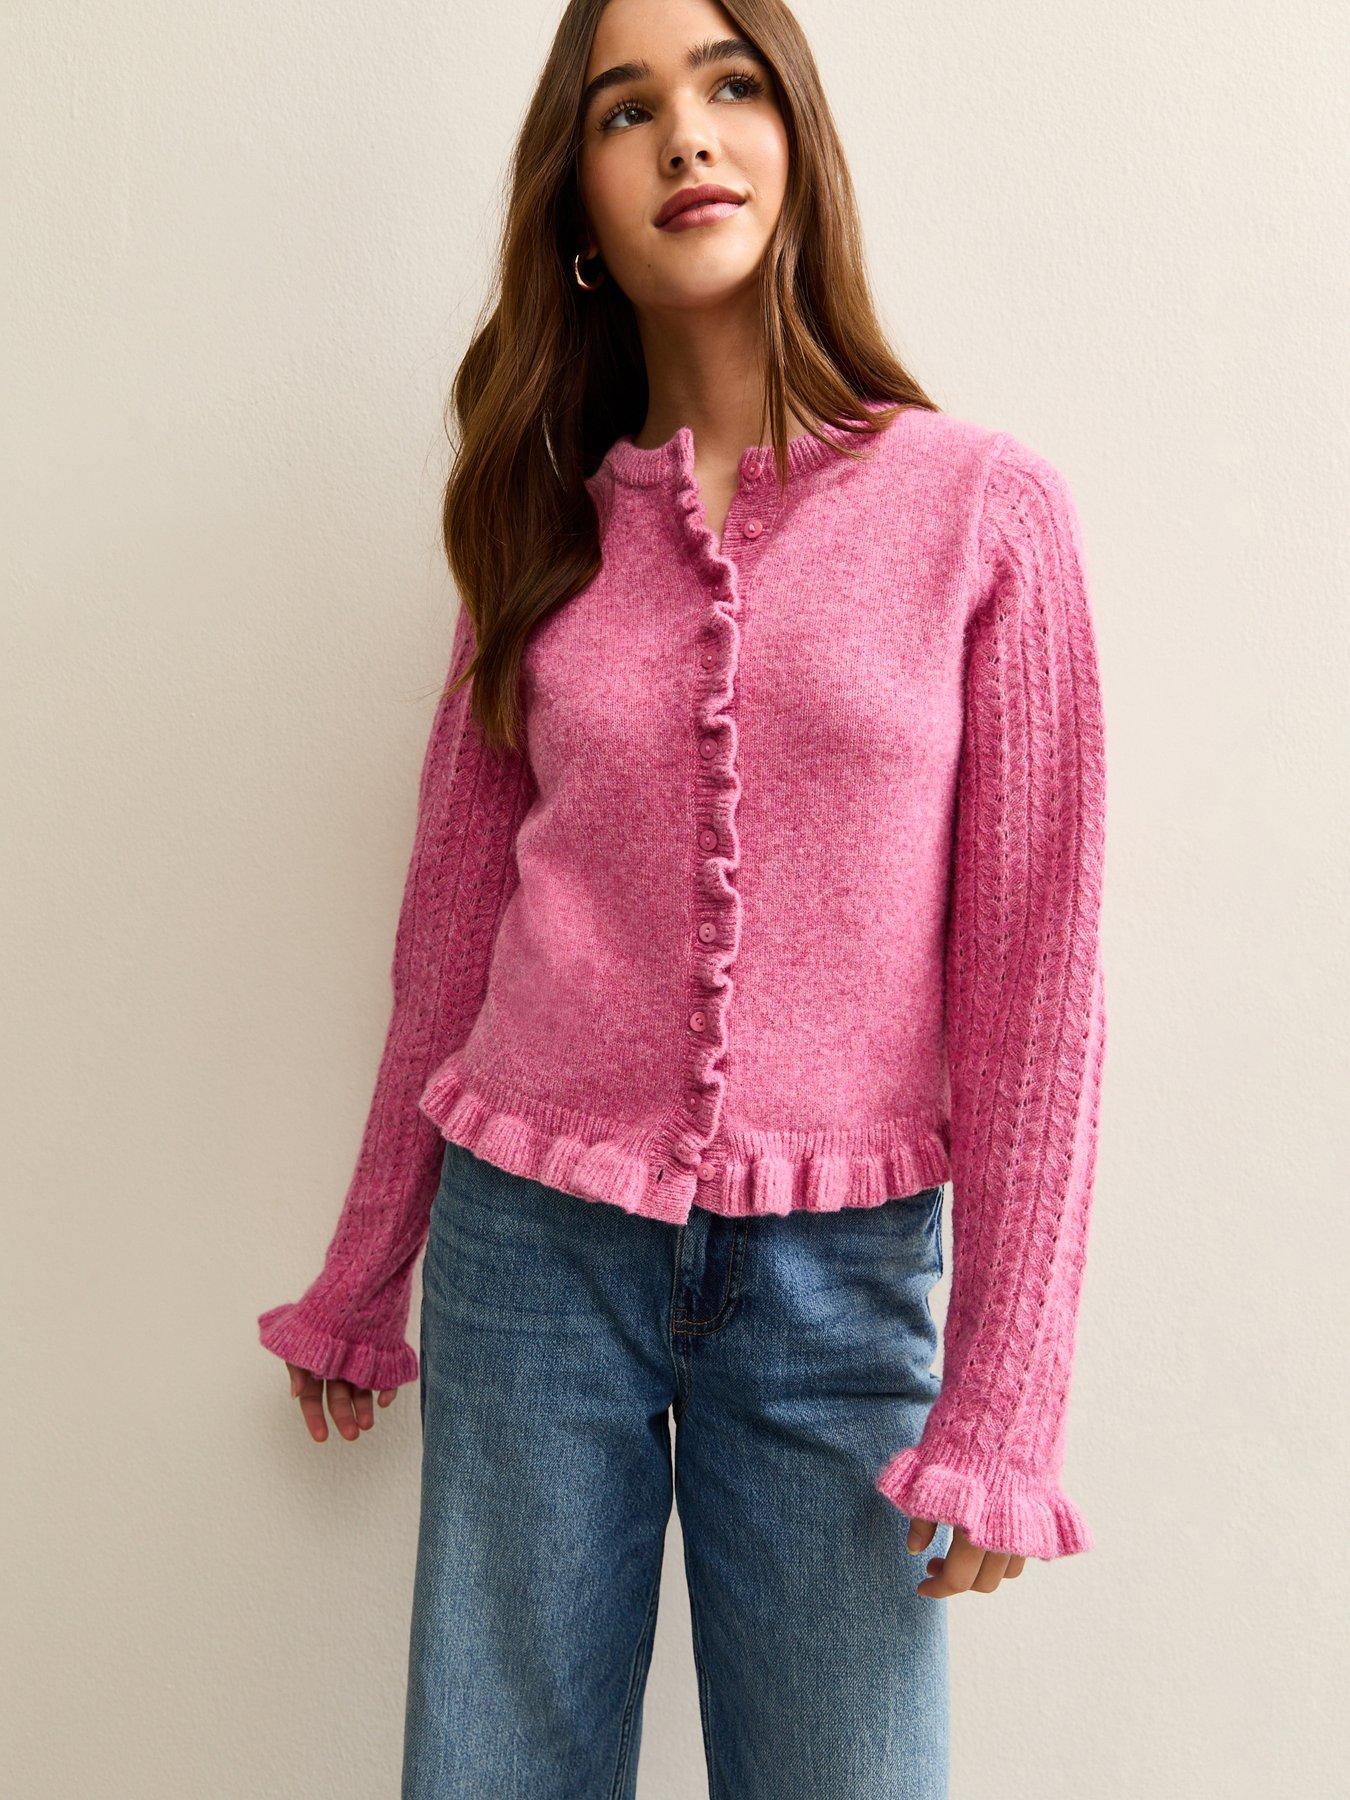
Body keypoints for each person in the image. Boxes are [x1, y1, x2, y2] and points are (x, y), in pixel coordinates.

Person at [256, 2, 1109, 1794]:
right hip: (529, 1255)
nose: (687, 136)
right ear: (576, 202)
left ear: (796, 139)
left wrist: (1004, 1396)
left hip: (837, 1280)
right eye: (623, 109)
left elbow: (1035, 978)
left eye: (729, 86)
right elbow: (446, 934)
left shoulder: (980, 513)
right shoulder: (538, 531)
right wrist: (363, 1270)